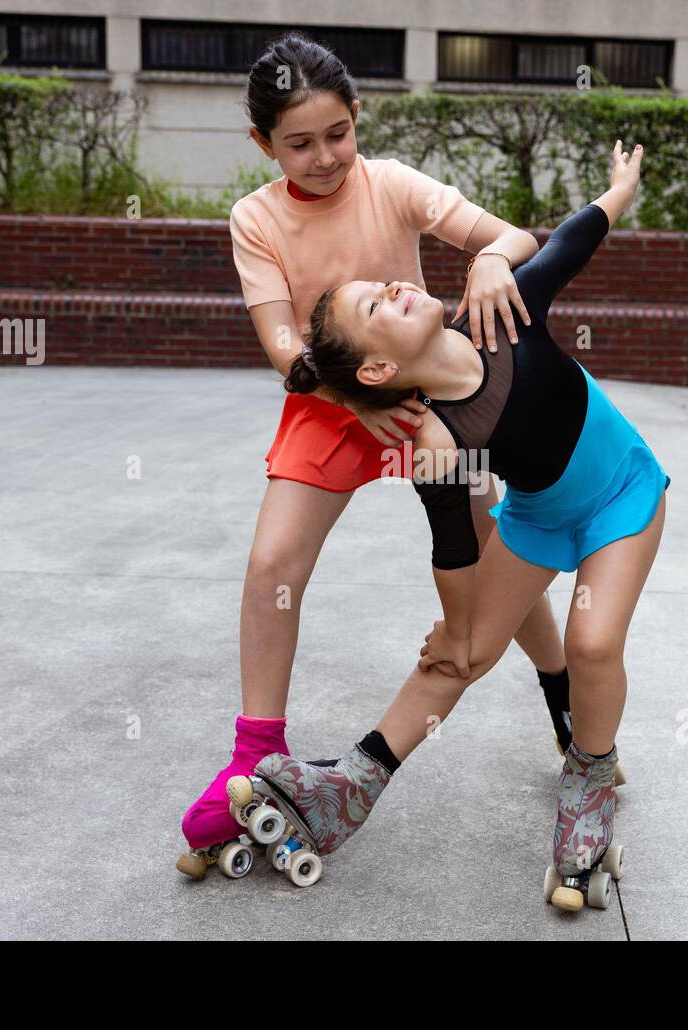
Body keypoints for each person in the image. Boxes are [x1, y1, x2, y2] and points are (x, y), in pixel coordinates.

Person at [178, 32, 572, 871]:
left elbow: (512, 237)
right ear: (263, 144)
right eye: (298, 143)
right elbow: (284, 341)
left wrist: (496, 263)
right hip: (326, 402)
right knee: (272, 565)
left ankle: (564, 695)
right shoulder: (256, 218)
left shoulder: (389, 182)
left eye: (337, 135)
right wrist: (346, 396)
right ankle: (256, 756)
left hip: (423, 405)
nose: (323, 158)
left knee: (498, 560)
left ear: (357, 119)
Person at [249, 140, 670, 900]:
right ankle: (350, 786)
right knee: (456, 656)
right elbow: (453, 550)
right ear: (378, 371)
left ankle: (590, 781)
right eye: (376, 305)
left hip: (623, 496)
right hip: (539, 518)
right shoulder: (435, 443)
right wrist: (455, 628)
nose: (394, 287)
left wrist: (620, 189)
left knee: (592, 641)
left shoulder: (500, 306)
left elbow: (572, 238)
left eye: (382, 283)